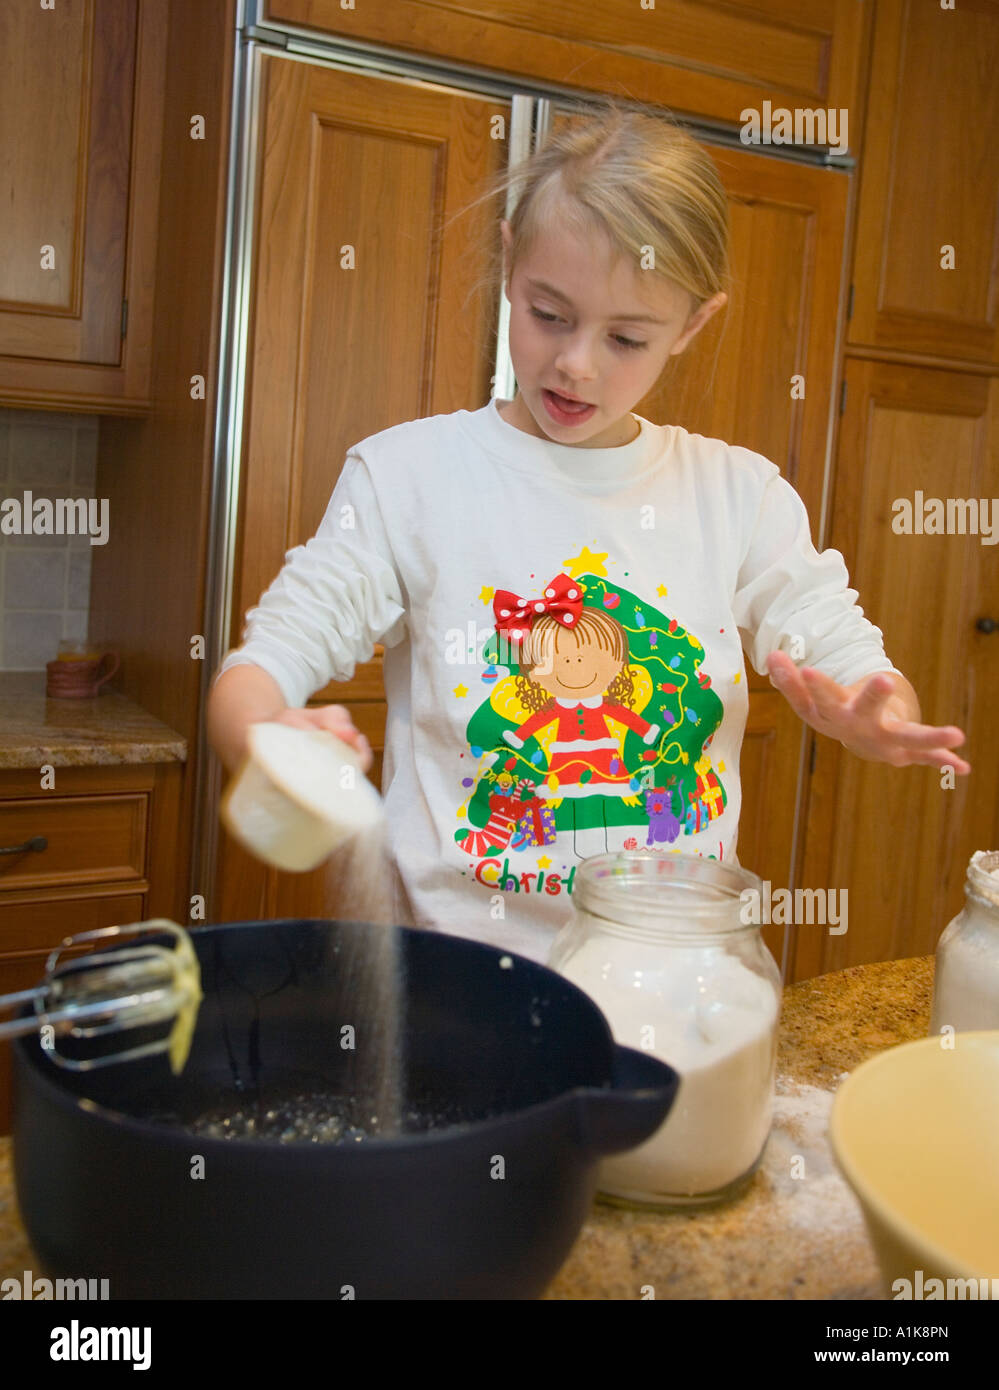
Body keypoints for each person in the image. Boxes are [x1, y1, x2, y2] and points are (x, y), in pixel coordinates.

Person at [207, 102, 969, 964]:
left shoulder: (737, 495)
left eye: (627, 337)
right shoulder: (407, 479)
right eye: (549, 314)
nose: (576, 364)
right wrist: (261, 731)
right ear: (508, 262)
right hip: (460, 981)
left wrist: (877, 715)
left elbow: (843, 650)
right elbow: (262, 667)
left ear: (691, 325)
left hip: (668, 980)